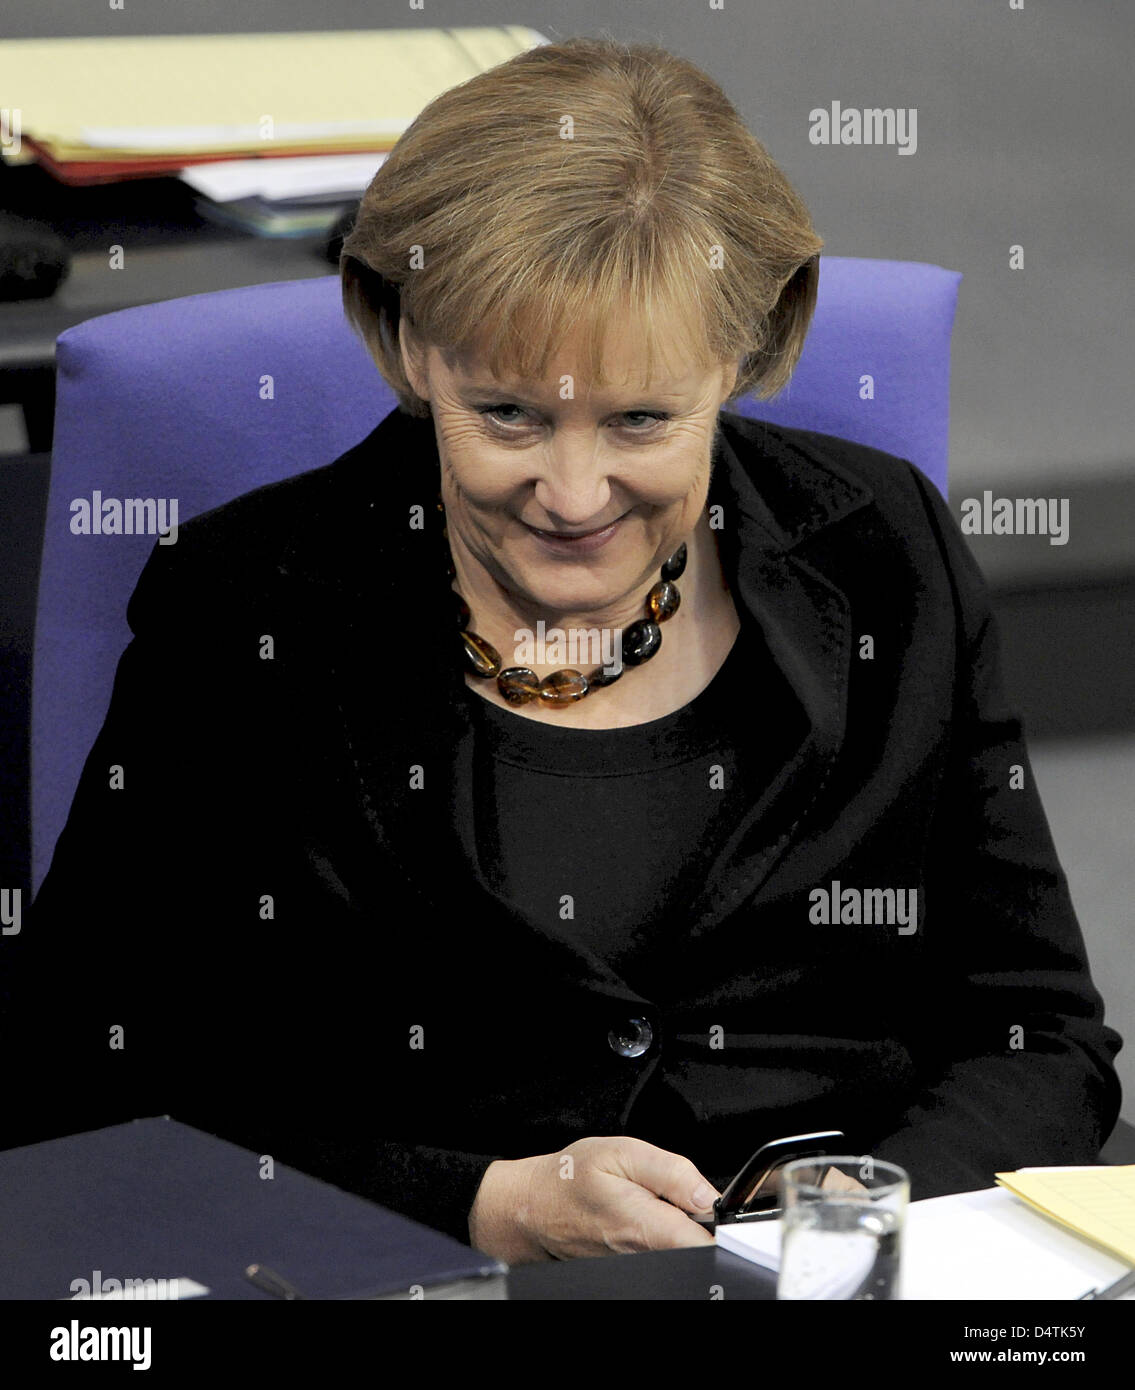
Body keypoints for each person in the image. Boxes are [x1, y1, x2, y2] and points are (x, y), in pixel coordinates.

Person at [7, 35, 1121, 1265]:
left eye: (641, 417)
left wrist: (845, 1227)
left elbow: (1037, 1034)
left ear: (740, 361)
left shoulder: (887, 553)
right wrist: (473, 1204)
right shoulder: (246, 604)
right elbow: (83, 1085)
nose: (572, 493)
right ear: (413, 347)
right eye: (509, 415)